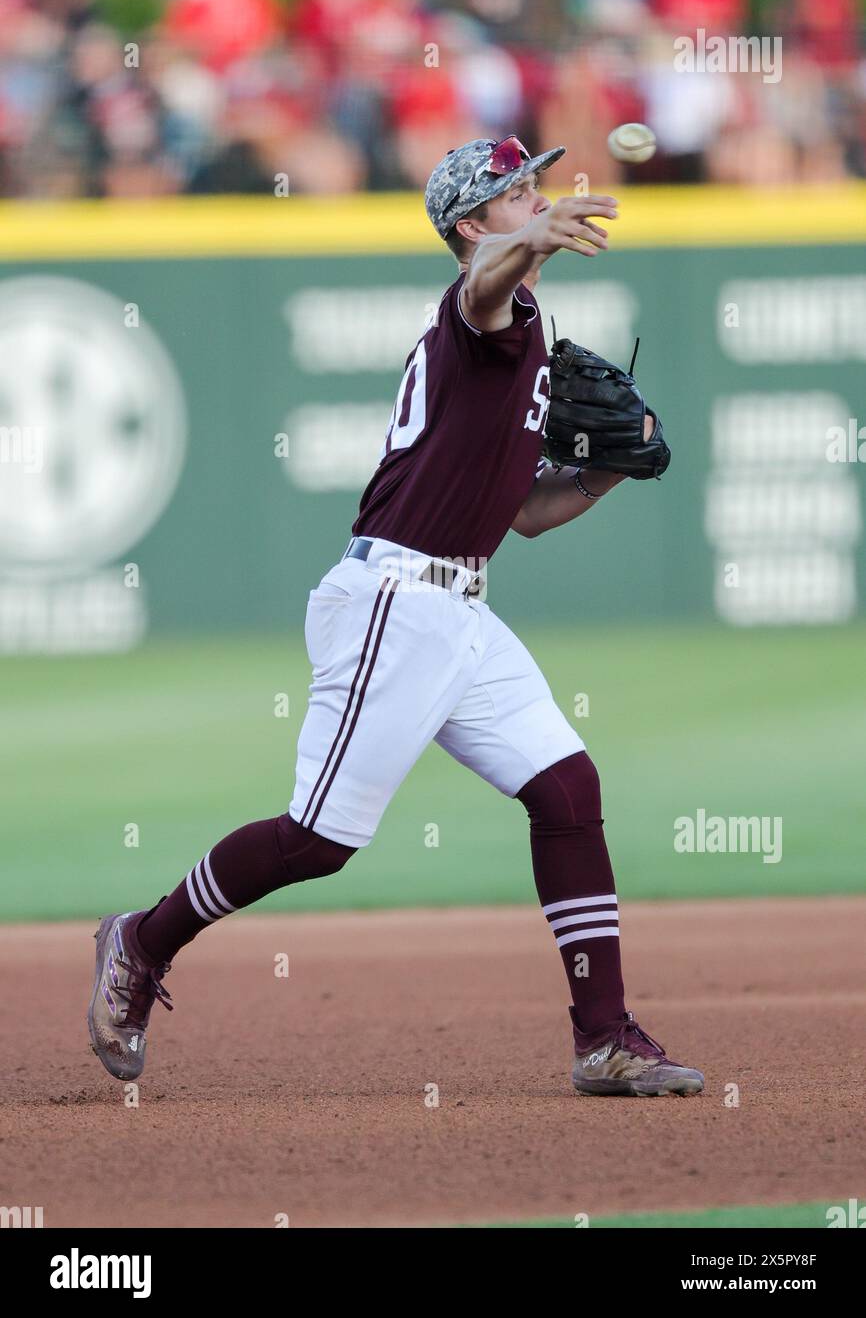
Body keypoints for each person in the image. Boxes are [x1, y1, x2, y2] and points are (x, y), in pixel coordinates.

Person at [87, 135, 704, 1098]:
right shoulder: (480, 310)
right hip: (393, 603)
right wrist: (533, 238)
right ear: (471, 226)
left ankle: (604, 1039)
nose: (535, 197)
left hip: (460, 608)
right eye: (515, 193)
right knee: (317, 843)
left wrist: (611, 467)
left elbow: (529, 517)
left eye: (535, 185)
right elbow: (480, 288)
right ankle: (141, 939)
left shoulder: (526, 324)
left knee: (567, 789)